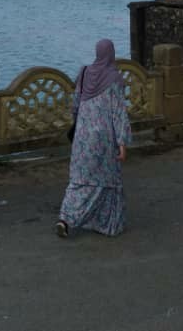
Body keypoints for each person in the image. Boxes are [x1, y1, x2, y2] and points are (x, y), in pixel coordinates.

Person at [55, 38, 131, 239]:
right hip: (105, 137)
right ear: (111, 53)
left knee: (79, 179)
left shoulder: (84, 72)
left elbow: (75, 104)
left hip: (83, 135)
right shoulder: (115, 78)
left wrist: (79, 124)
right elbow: (118, 113)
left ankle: (65, 217)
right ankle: (106, 223)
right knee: (107, 180)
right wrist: (122, 142)